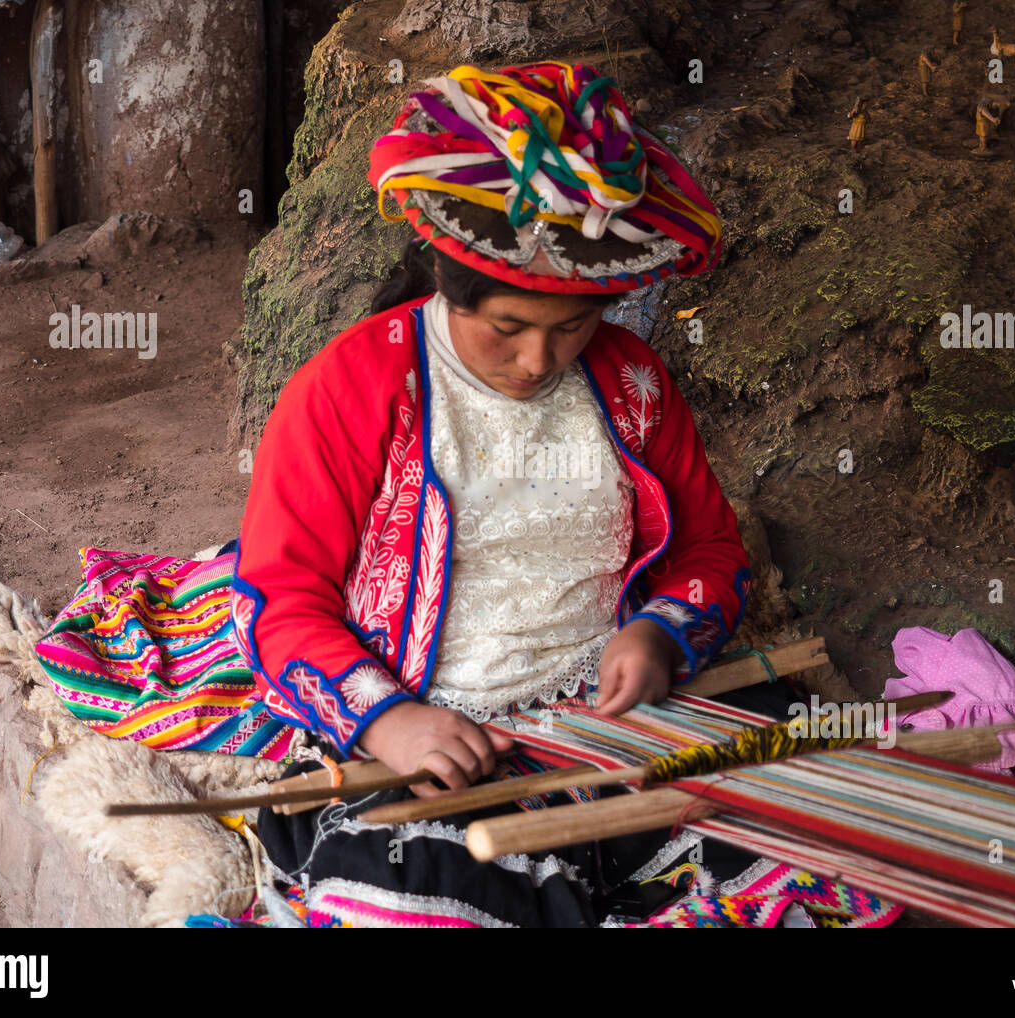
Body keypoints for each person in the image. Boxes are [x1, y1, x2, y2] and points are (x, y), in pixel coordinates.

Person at [229, 62, 794, 927]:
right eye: (508, 328)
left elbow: (711, 550)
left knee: (810, 807)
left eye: (572, 326)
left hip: (610, 728)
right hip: (439, 740)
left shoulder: (634, 383)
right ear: (448, 287)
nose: (540, 361)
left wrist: (656, 632)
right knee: (414, 888)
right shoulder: (349, 387)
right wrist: (390, 723)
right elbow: (278, 597)